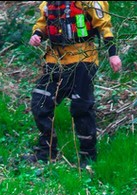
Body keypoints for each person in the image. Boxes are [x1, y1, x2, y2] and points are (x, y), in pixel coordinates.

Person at [27, 1, 122, 166]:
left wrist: (112, 54)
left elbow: (104, 26)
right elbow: (42, 24)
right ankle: (46, 152)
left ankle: (88, 157)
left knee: (81, 107)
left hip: (83, 59)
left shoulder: (90, 3)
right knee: (40, 102)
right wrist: (37, 35)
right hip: (56, 60)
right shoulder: (48, 4)